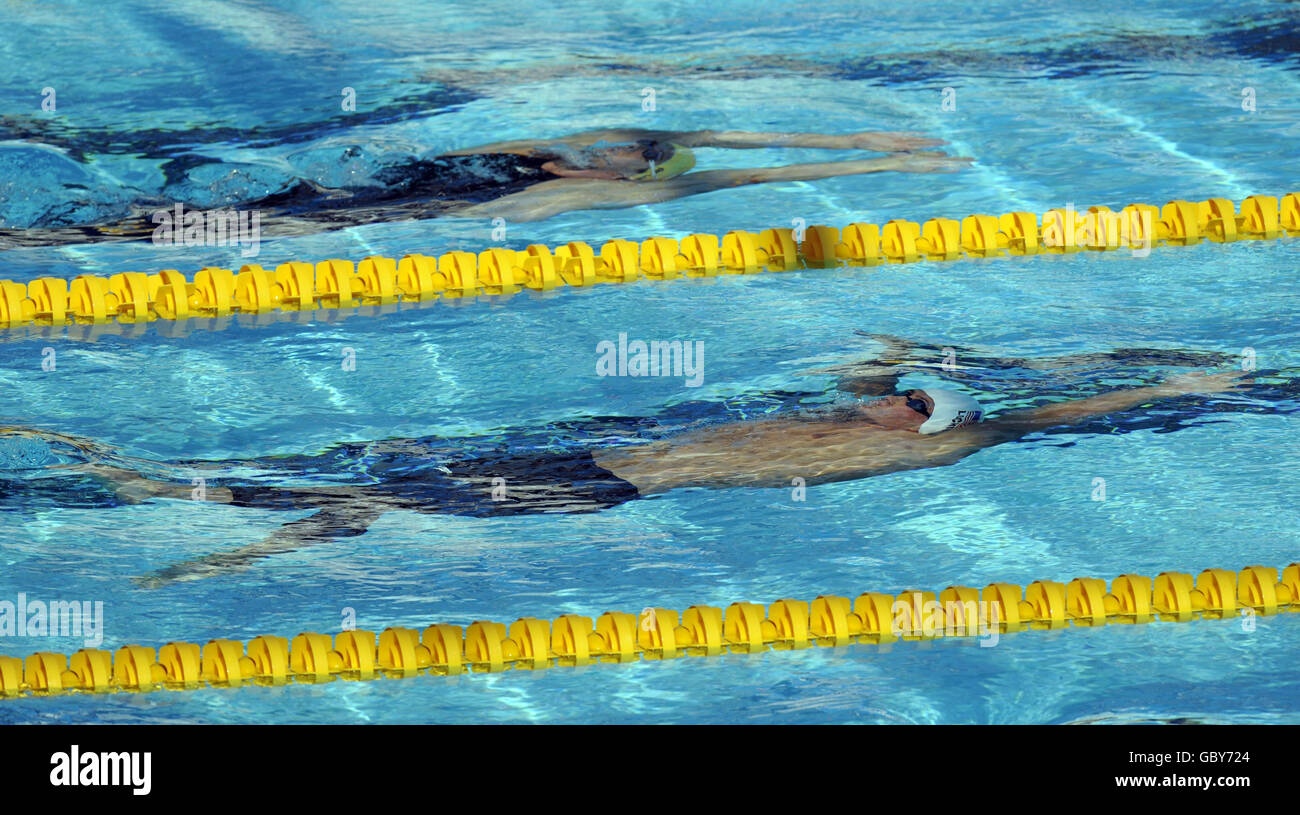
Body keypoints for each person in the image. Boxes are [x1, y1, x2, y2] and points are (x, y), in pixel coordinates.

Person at [3, 366, 1248, 585]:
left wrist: (1156, 393)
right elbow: (862, 360)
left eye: (897, 395)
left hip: (608, 491)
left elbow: (1050, 415)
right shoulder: (849, 414)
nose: (874, 390)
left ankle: (184, 514)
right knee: (364, 485)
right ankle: (184, 506)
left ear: (920, 422)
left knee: (368, 504)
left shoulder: (947, 437)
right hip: (583, 462)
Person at [0, 128, 971, 247]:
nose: (609, 155)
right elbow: (704, 138)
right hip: (345, 176)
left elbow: (737, 170)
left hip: (376, 208)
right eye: (619, 146)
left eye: (625, 161)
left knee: (145, 229)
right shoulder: (550, 147)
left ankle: (25, 243)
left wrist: (872, 168)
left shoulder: (597, 192)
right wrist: (858, 133)